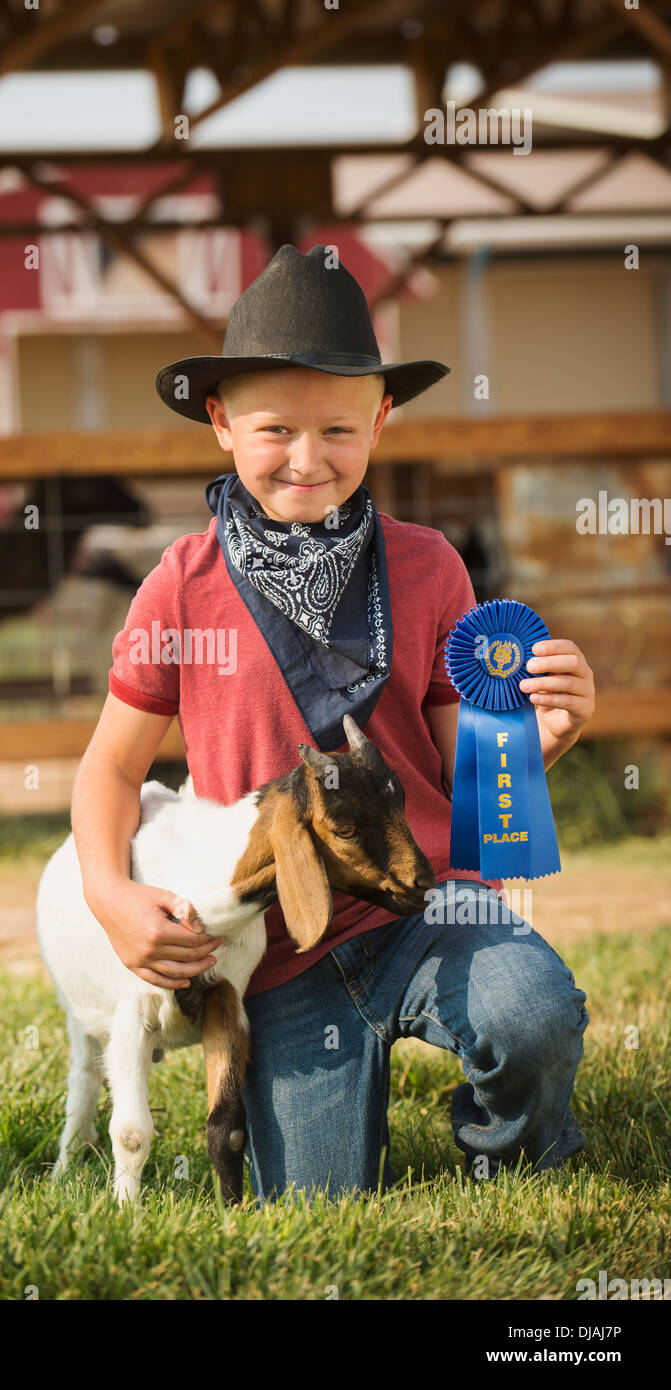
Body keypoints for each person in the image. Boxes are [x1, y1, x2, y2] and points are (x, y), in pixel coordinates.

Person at [71, 244, 593, 1201]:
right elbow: (109, 771)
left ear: (381, 419)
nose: (307, 460)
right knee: (315, 1204)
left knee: (531, 1011)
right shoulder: (179, 586)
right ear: (220, 421)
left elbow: (459, 772)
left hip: (429, 903)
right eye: (274, 429)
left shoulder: (432, 566)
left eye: (338, 431)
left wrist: (539, 742)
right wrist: (110, 894)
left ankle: (513, 1153)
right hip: (272, 951)